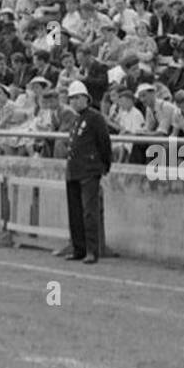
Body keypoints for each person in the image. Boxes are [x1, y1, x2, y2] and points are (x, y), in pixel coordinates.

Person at [63, 79, 112, 264]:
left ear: (86, 98)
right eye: (71, 99)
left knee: (89, 212)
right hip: (74, 170)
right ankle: (79, 248)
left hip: (89, 170)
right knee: (75, 212)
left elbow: (104, 143)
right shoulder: (77, 120)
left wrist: (105, 165)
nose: (74, 102)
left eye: (77, 98)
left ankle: (92, 250)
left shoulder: (95, 118)